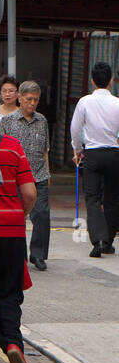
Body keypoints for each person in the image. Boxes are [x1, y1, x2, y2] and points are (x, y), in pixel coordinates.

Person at [0, 94, 36, 363]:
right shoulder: (12, 146)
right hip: (13, 231)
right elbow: (30, 192)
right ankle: (13, 343)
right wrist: (20, 213)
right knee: (9, 293)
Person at [0, 80, 51, 271]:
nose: (32, 103)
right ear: (19, 98)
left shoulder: (42, 120)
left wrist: (48, 171)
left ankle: (38, 255)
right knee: (17, 217)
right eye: (29, 99)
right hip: (16, 177)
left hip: (38, 174)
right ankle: (18, 255)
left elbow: (45, 149)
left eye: (36, 100)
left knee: (42, 216)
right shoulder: (7, 121)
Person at [70, 61, 119, 258]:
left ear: (92, 81)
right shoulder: (117, 102)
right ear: (111, 81)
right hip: (114, 153)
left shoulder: (85, 102)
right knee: (113, 199)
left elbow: (76, 128)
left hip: (92, 153)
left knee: (92, 197)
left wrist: (77, 149)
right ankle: (108, 241)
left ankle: (97, 239)